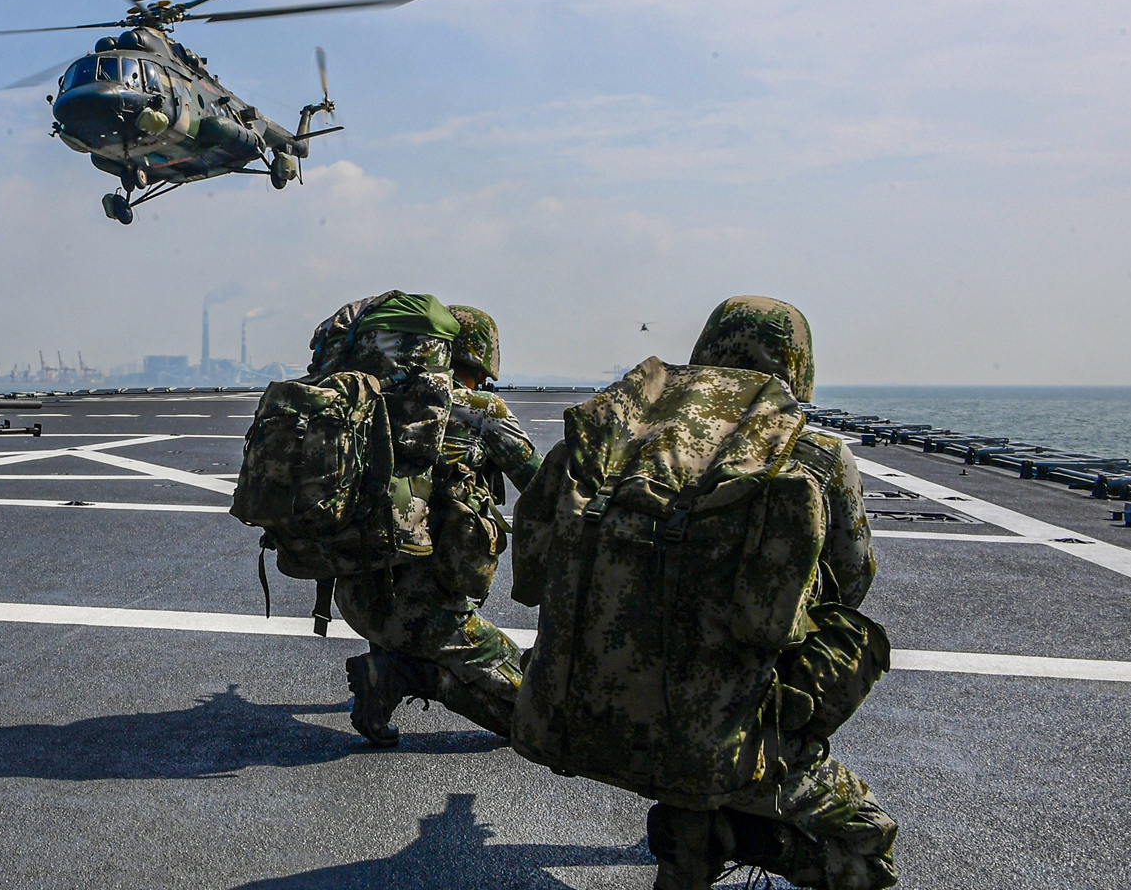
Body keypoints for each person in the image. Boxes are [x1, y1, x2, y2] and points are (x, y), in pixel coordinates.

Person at [510, 296, 896, 890]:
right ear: (797, 366)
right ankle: (726, 830)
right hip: (714, 742)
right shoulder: (816, 455)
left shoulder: (602, 440)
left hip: (570, 715)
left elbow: (530, 578)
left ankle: (691, 838)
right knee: (869, 841)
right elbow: (853, 581)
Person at [313, 295, 536, 745]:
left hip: (355, 597)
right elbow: (545, 486)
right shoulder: (478, 409)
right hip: (423, 614)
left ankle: (391, 665)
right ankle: (403, 675)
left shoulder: (369, 403)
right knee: (541, 715)